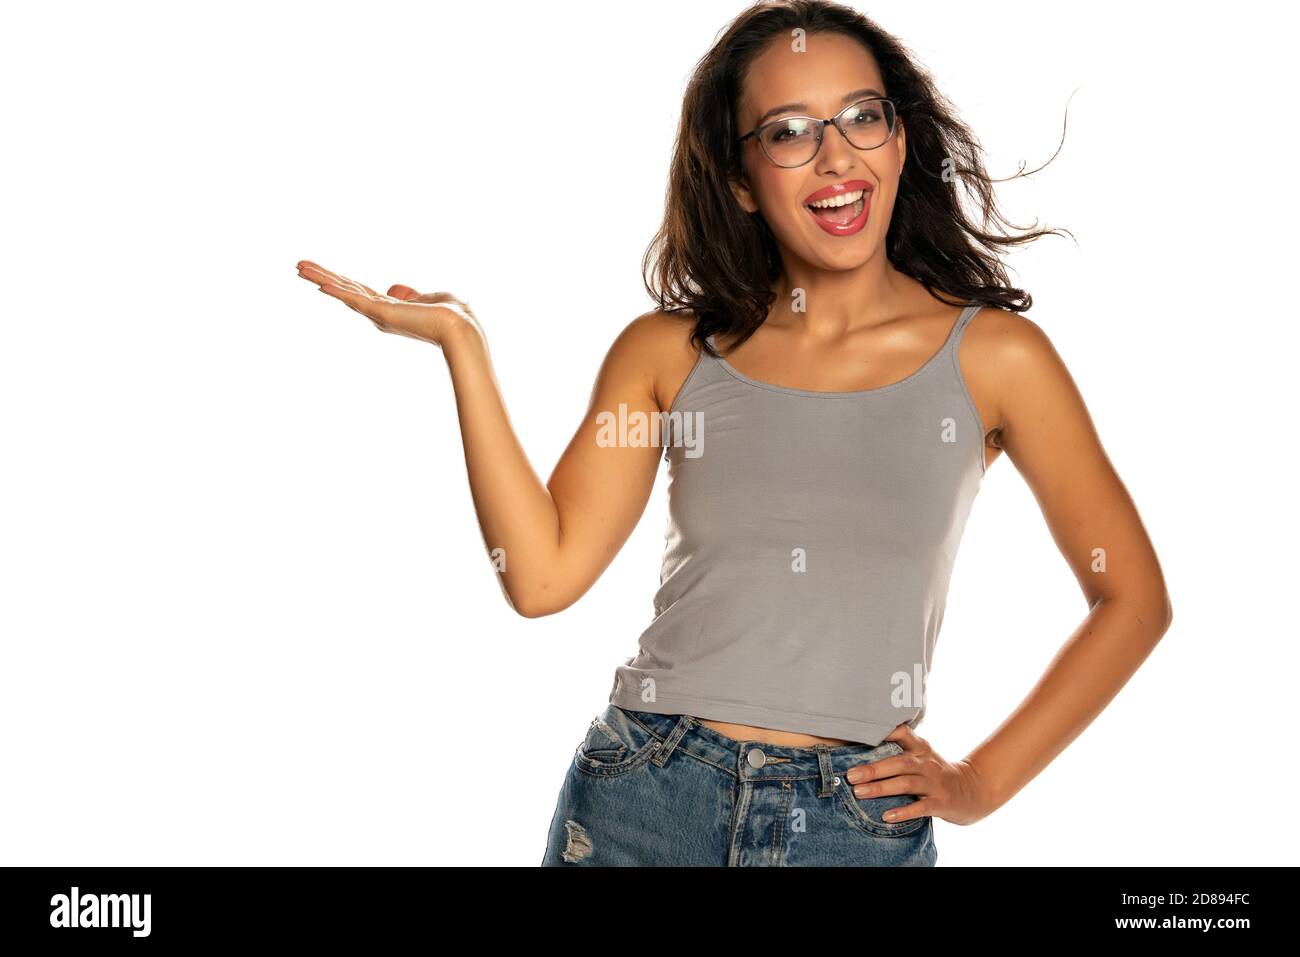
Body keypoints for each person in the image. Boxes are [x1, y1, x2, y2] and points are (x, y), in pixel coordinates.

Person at [295, 0, 1172, 866]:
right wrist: (465, 347)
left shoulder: (996, 358)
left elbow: (1131, 598)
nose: (836, 154)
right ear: (742, 181)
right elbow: (540, 576)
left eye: (863, 117)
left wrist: (981, 782)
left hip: (853, 823)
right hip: (644, 794)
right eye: (789, 131)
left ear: (900, 141)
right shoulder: (669, 352)